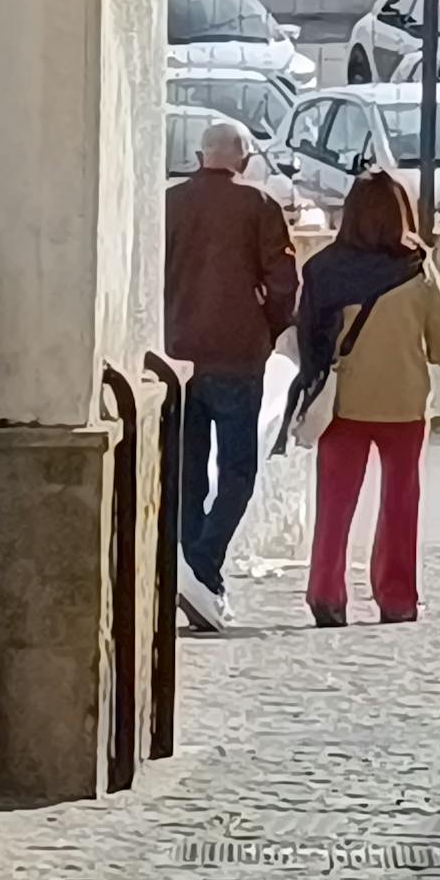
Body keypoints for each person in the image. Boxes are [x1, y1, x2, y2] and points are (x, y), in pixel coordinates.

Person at [289, 161, 440, 623]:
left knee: (334, 505)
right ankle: (396, 597)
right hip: (404, 402)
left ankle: (327, 594)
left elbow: (305, 338)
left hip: (342, 402)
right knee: (400, 504)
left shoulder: (322, 269)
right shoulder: (416, 269)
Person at [158, 119, 299, 628]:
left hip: (179, 356)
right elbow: (284, 281)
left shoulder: (170, 204)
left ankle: (194, 573)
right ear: (242, 159)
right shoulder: (259, 205)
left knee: (189, 473)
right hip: (238, 356)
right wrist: (269, 326)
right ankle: (202, 566)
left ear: (200, 157)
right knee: (238, 472)